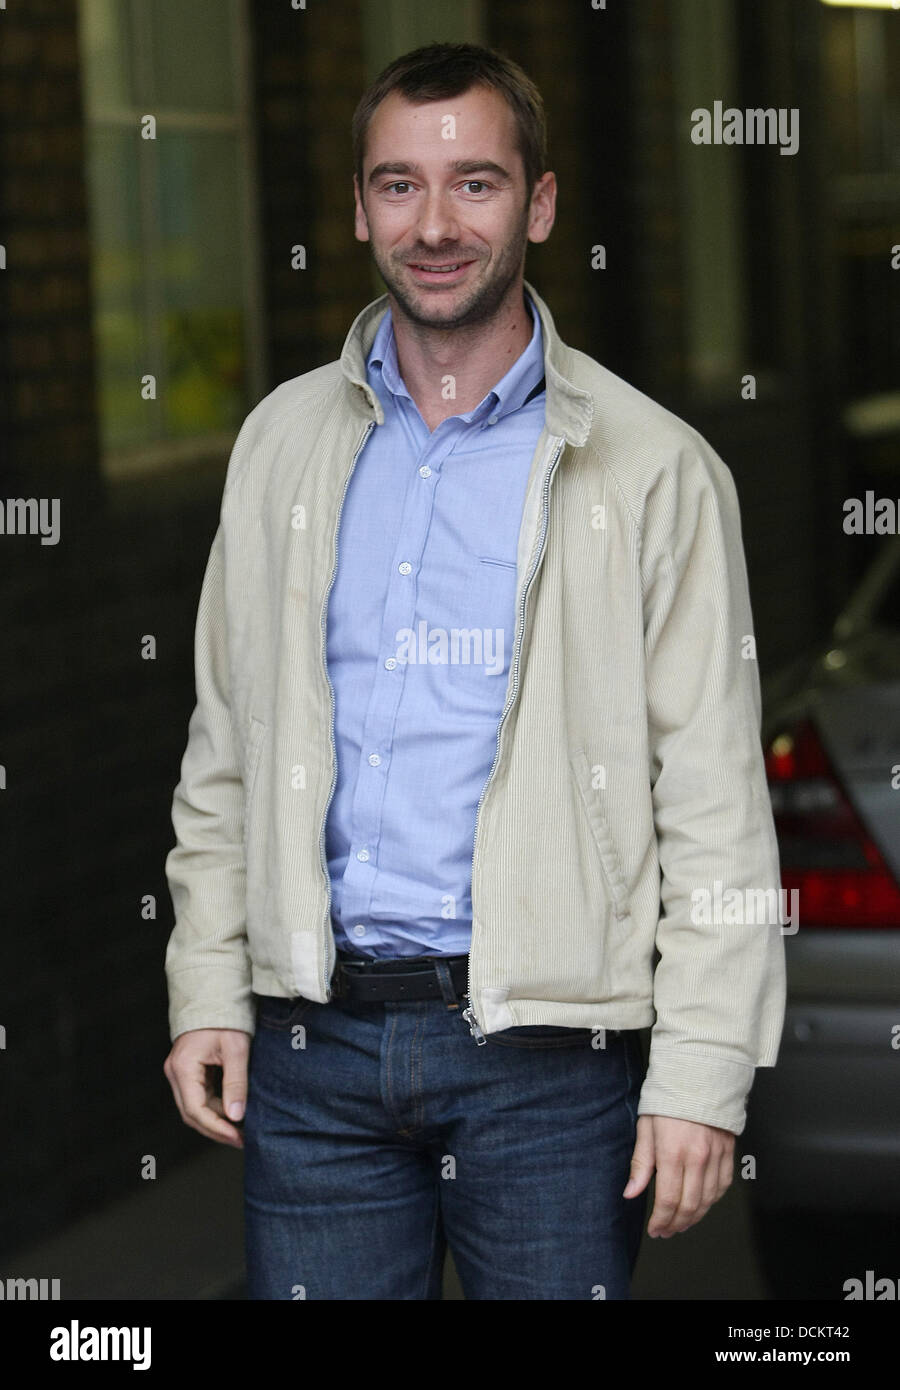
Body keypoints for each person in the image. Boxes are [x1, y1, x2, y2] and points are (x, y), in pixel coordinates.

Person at [162, 41, 786, 1301]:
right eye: (398, 185)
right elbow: (223, 753)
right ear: (357, 208)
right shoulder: (279, 442)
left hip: (550, 1067)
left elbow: (716, 803)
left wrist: (705, 1071)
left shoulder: (653, 470)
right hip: (314, 1048)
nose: (434, 224)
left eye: (477, 185)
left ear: (541, 205)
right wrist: (206, 986)